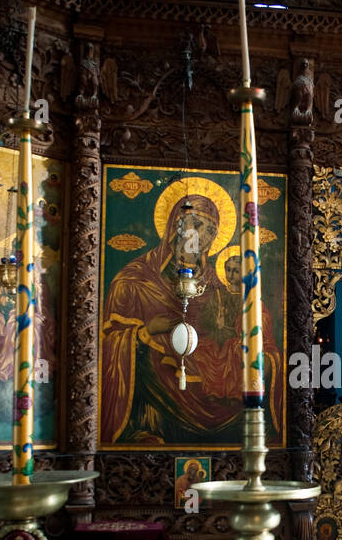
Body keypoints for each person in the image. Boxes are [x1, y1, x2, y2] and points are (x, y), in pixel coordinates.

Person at [100, 190, 281, 444]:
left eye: (210, 231)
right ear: (176, 225)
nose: (202, 236)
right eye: (196, 224)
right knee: (156, 359)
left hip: (207, 375)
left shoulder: (216, 286)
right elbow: (108, 344)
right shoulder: (133, 281)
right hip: (159, 391)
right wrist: (145, 331)